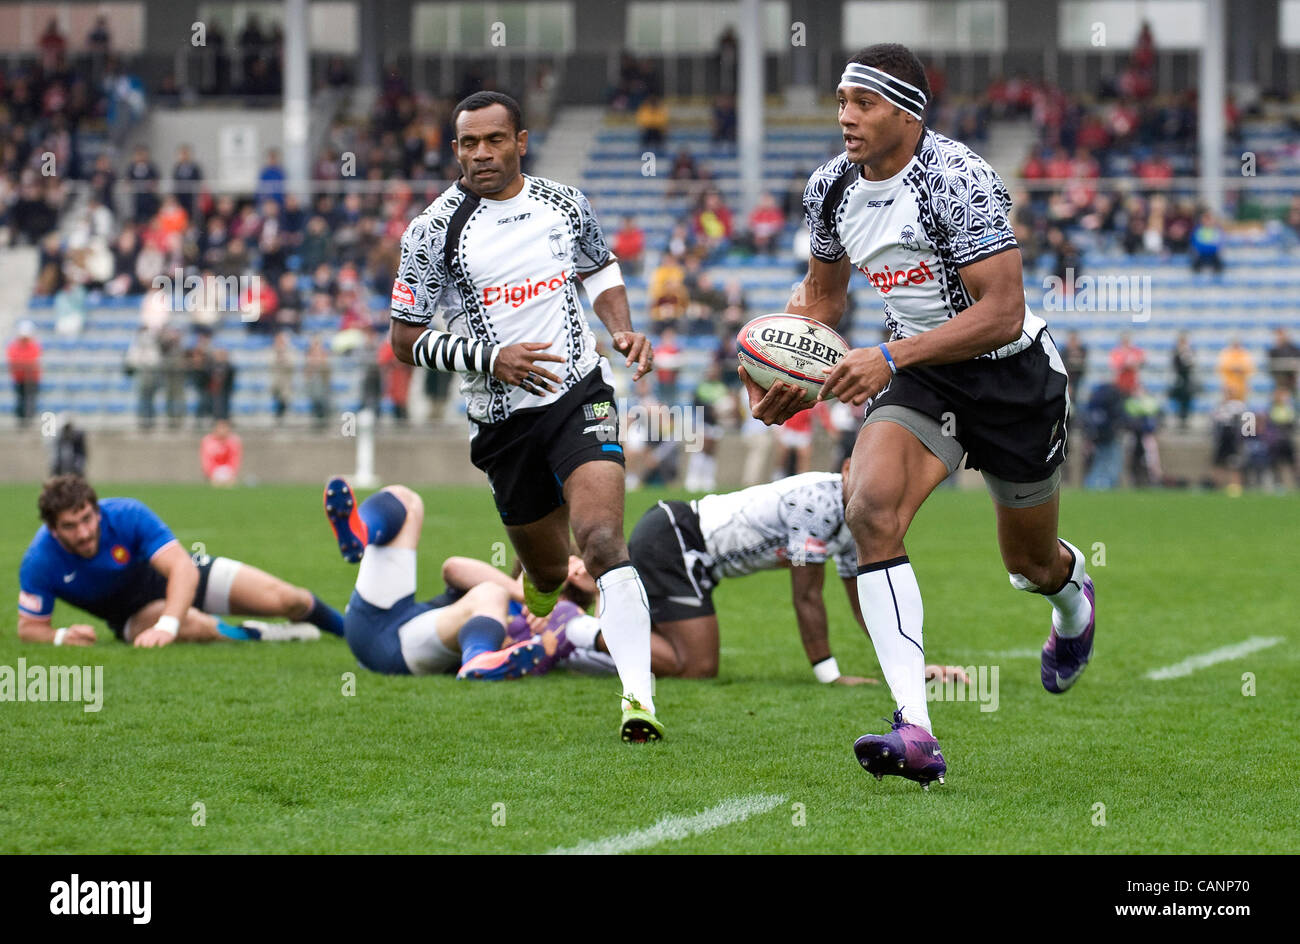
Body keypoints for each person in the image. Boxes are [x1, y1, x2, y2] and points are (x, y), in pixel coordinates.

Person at [743, 44, 1094, 788]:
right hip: (924, 379)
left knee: (1029, 566)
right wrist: (786, 367)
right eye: (841, 101)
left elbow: (1003, 314)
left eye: (862, 104)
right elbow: (825, 299)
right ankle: (916, 730)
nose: (845, 117)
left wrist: (891, 357)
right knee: (868, 507)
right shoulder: (831, 187)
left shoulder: (956, 178)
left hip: (1012, 381)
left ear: (906, 111)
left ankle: (1072, 601)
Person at [388, 91, 661, 741]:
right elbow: (404, 341)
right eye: (467, 144)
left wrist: (621, 330)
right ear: (455, 149)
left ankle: (638, 699)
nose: (481, 154)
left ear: (521, 141)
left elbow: (599, 268)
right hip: (502, 425)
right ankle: (537, 607)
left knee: (598, 542)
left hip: (578, 394)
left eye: (493, 140)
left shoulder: (566, 203)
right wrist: (490, 357)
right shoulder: (432, 230)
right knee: (544, 572)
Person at [17, 475, 343, 647]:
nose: (84, 533)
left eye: (87, 519)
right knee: (200, 626)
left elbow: (183, 568)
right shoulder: (40, 561)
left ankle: (350, 631)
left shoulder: (127, 514)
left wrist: (168, 626)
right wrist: (60, 637)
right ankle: (264, 635)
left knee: (290, 598)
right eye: (70, 526)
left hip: (185, 578)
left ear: (97, 509)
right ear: (52, 529)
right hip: (133, 616)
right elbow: (30, 627)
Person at [323, 478, 551, 680]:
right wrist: (521, 593)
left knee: (492, 594)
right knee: (407, 501)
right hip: (380, 617)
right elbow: (453, 568)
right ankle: (359, 534)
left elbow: (579, 640)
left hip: (401, 650)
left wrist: (553, 628)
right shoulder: (505, 591)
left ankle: (479, 657)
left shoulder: (564, 618)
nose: (576, 571)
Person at [7, 320, 42, 428]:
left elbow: (33, 361)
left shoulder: (34, 346)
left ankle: (29, 421)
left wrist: (24, 365)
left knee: (31, 400)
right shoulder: (14, 347)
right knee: (20, 400)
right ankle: (21, 422)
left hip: (32, 379)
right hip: (19, 379)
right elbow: (13, 361)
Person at [200, 420, 243, 485]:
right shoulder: (208, 441)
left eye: (224, 428)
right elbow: (206, 460)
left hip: (228, 471)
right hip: (214, 472)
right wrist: (210, 474)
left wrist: (232, 473)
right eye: (220, 428)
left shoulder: (234, 441)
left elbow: (235, 459)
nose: (222, 430)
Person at [1170, 332, 1196, 430]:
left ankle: (1185, 420)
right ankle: (1179, 419)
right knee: (1178, 401)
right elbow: (1175, 365)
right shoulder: (1176, 352)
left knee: (1187, 401)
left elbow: (1192, 365)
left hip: (1187, 380)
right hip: (1179, 380)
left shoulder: (1190, 351)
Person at [1216, 338, 1254, 403]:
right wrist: (1233, 367)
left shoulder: (1244, 353)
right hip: (1229, 384)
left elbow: (1249, 367)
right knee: (1229, 402)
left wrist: (1240, 368)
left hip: (1242, 385)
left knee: (1241, 403)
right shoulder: (1226, 353)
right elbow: (1222, 367)